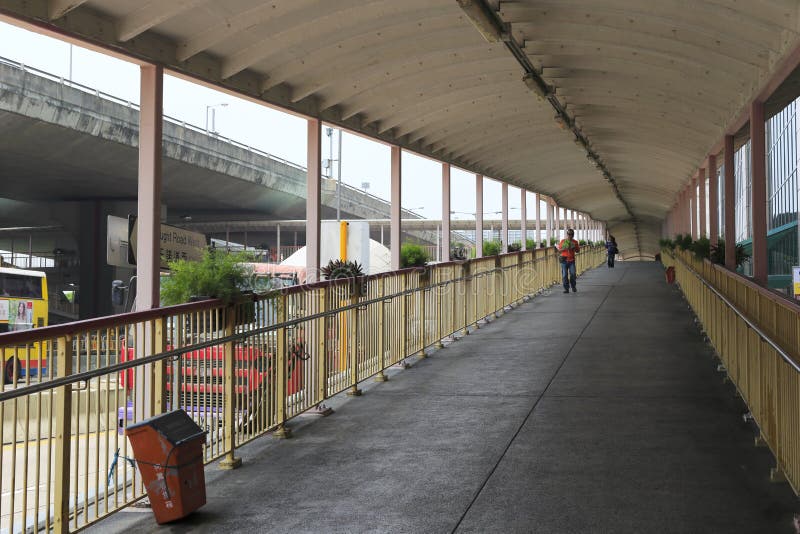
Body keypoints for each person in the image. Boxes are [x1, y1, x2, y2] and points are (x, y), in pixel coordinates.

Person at [557, 229, 580, 293]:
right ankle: (566, 289)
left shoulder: (575, 242)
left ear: (573, 235)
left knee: (573, 274)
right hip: (564, 260)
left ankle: (573, 286)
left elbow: (578, 251)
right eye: (569, 234)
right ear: (567, 234)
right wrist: (565, 248)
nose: (570, 236)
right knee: (564, 275)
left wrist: (574, 248)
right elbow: (559, 250)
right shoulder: (563, 241)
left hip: (571, 260)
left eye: (572, 234)